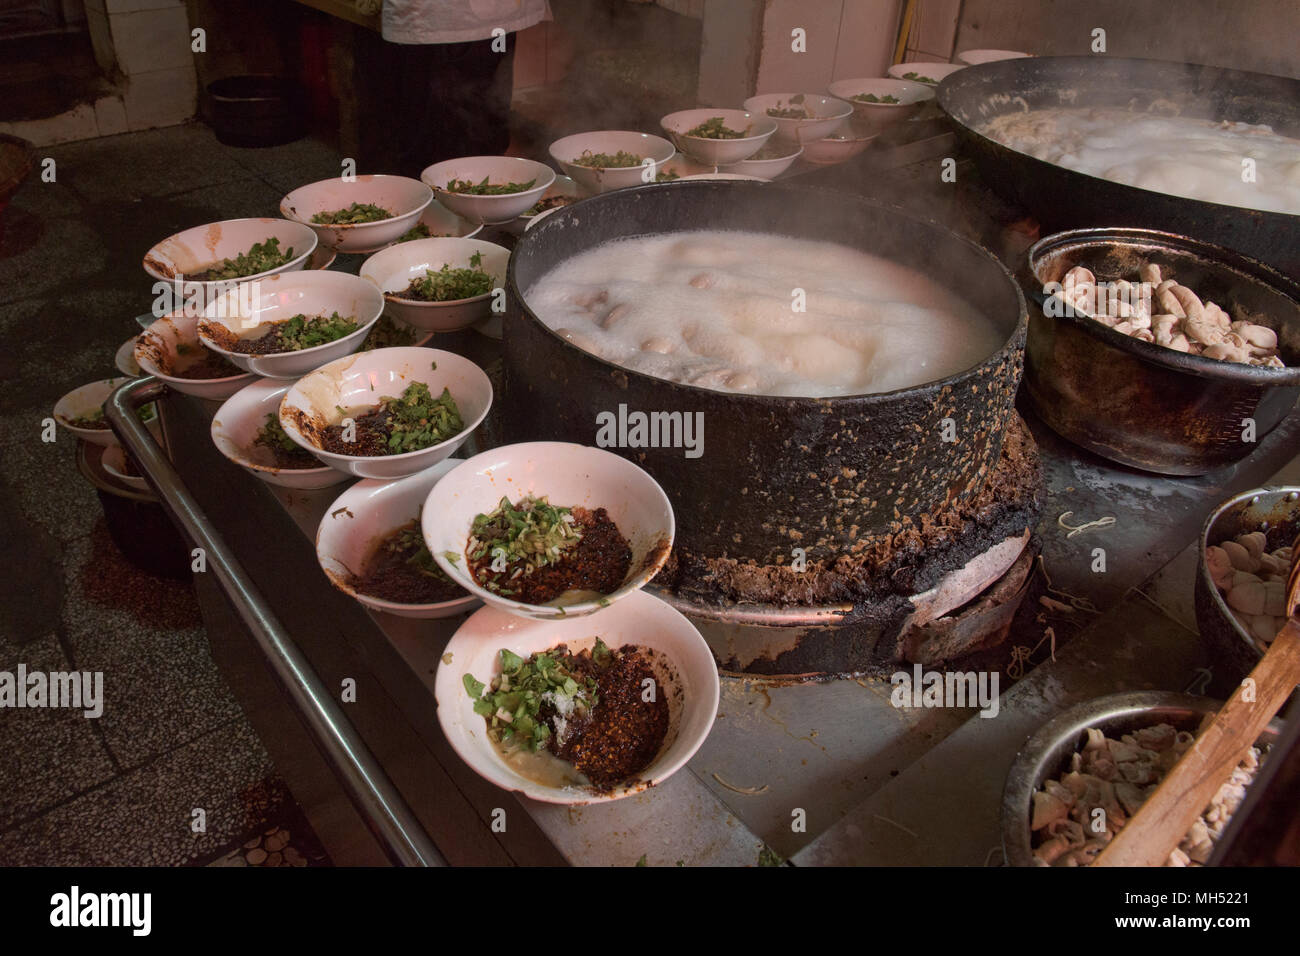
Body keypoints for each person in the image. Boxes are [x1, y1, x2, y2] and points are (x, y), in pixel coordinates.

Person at [374, 0, 551, 178]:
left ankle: (489, 198)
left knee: (486, 144)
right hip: (441, 21)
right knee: (431, 154)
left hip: (478, 18)